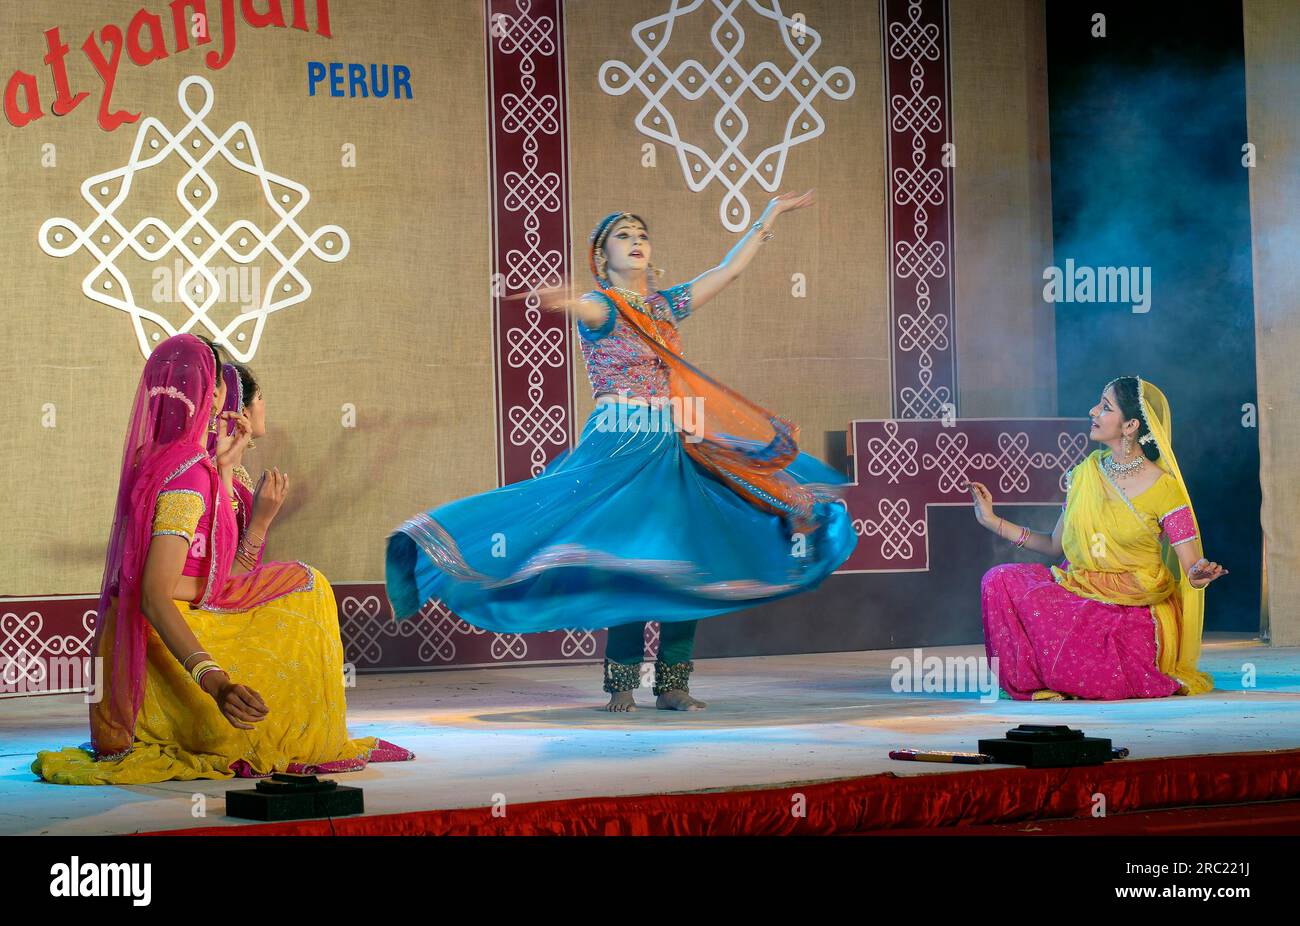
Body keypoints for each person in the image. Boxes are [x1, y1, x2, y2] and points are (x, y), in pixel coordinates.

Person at [387, 194, 857, 712]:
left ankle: (674, 684)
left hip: (675, 442)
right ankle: (620, 684)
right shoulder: (604, 305)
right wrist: (568, 301)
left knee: (686, 555)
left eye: (641, 235)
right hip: (621, 440)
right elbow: (587, 309)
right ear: (601, 255)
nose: (635, 241)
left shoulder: (664, 306)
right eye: (623, 235)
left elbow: (728, 269)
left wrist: (769, 215)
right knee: (629, 557)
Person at [33, 334, 412, 784]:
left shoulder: (163, 461)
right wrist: (218, 681)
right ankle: (298, 733)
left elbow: (191, 575)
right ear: (209, 393)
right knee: (309, 588)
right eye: (215, 380)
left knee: (302, 583)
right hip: (161, 631)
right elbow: (155, 591)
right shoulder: (187, 474)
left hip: (146, 631)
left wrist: (227, 474)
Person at [967, 376, 1224, 700]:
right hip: (1079, 588)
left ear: (1130, 424)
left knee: (1098, 647)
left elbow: (1191, 568)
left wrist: (1199, 576)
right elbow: (1053, 545)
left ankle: (1080, 670)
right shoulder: (1083, 475)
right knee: (999, 579)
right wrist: (992, 521)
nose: (1092, 411)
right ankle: (1037, 680)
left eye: (1105, 407)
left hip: (1136, 606)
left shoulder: (1164, 488)